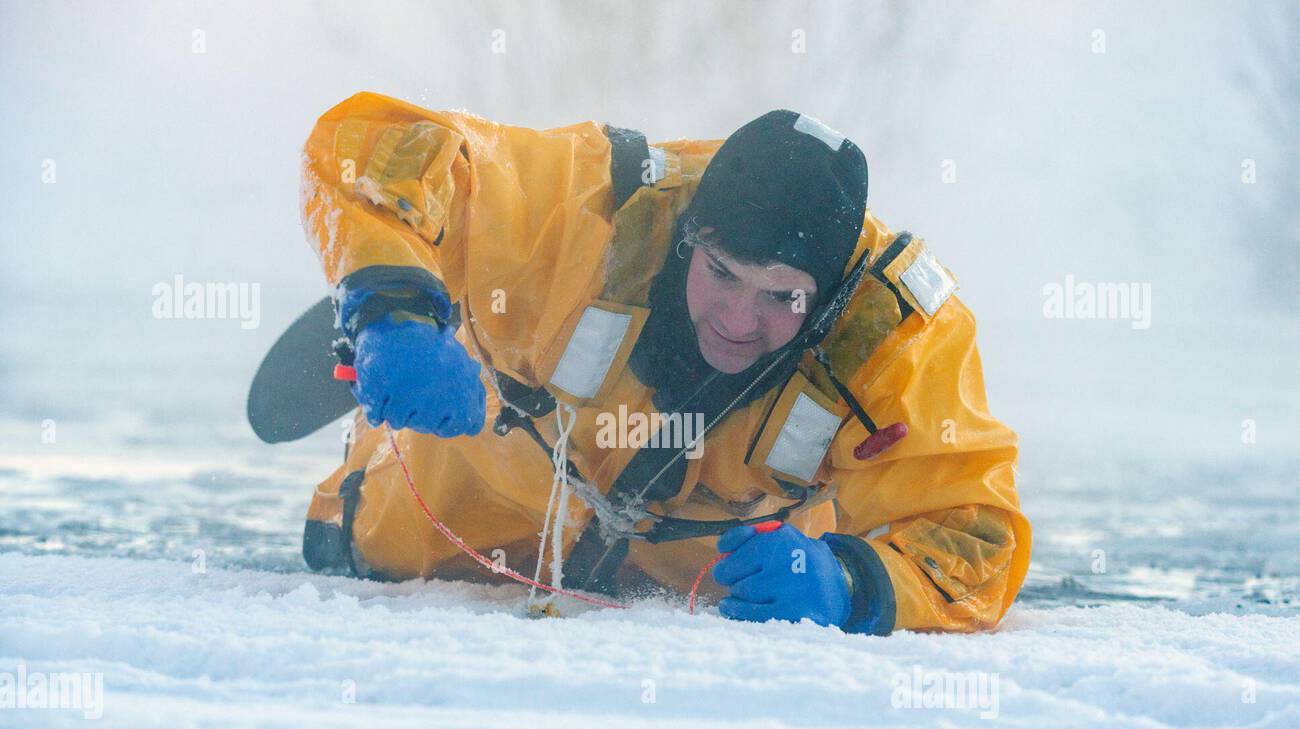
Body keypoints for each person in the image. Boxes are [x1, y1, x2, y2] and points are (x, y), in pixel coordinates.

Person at [298, 92, 1031, 634]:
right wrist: (391, 307)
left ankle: (424, 286)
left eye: (782, 296)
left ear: (831, 297)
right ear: (689, 239)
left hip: (699, 558)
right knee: (356, 544)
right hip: (492, 469)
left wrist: (850, 583)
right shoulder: (587, 210)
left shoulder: (893, 339)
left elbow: (974, 536)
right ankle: (412, 310)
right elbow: (372, 149)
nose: (739, 321)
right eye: (721, 273)